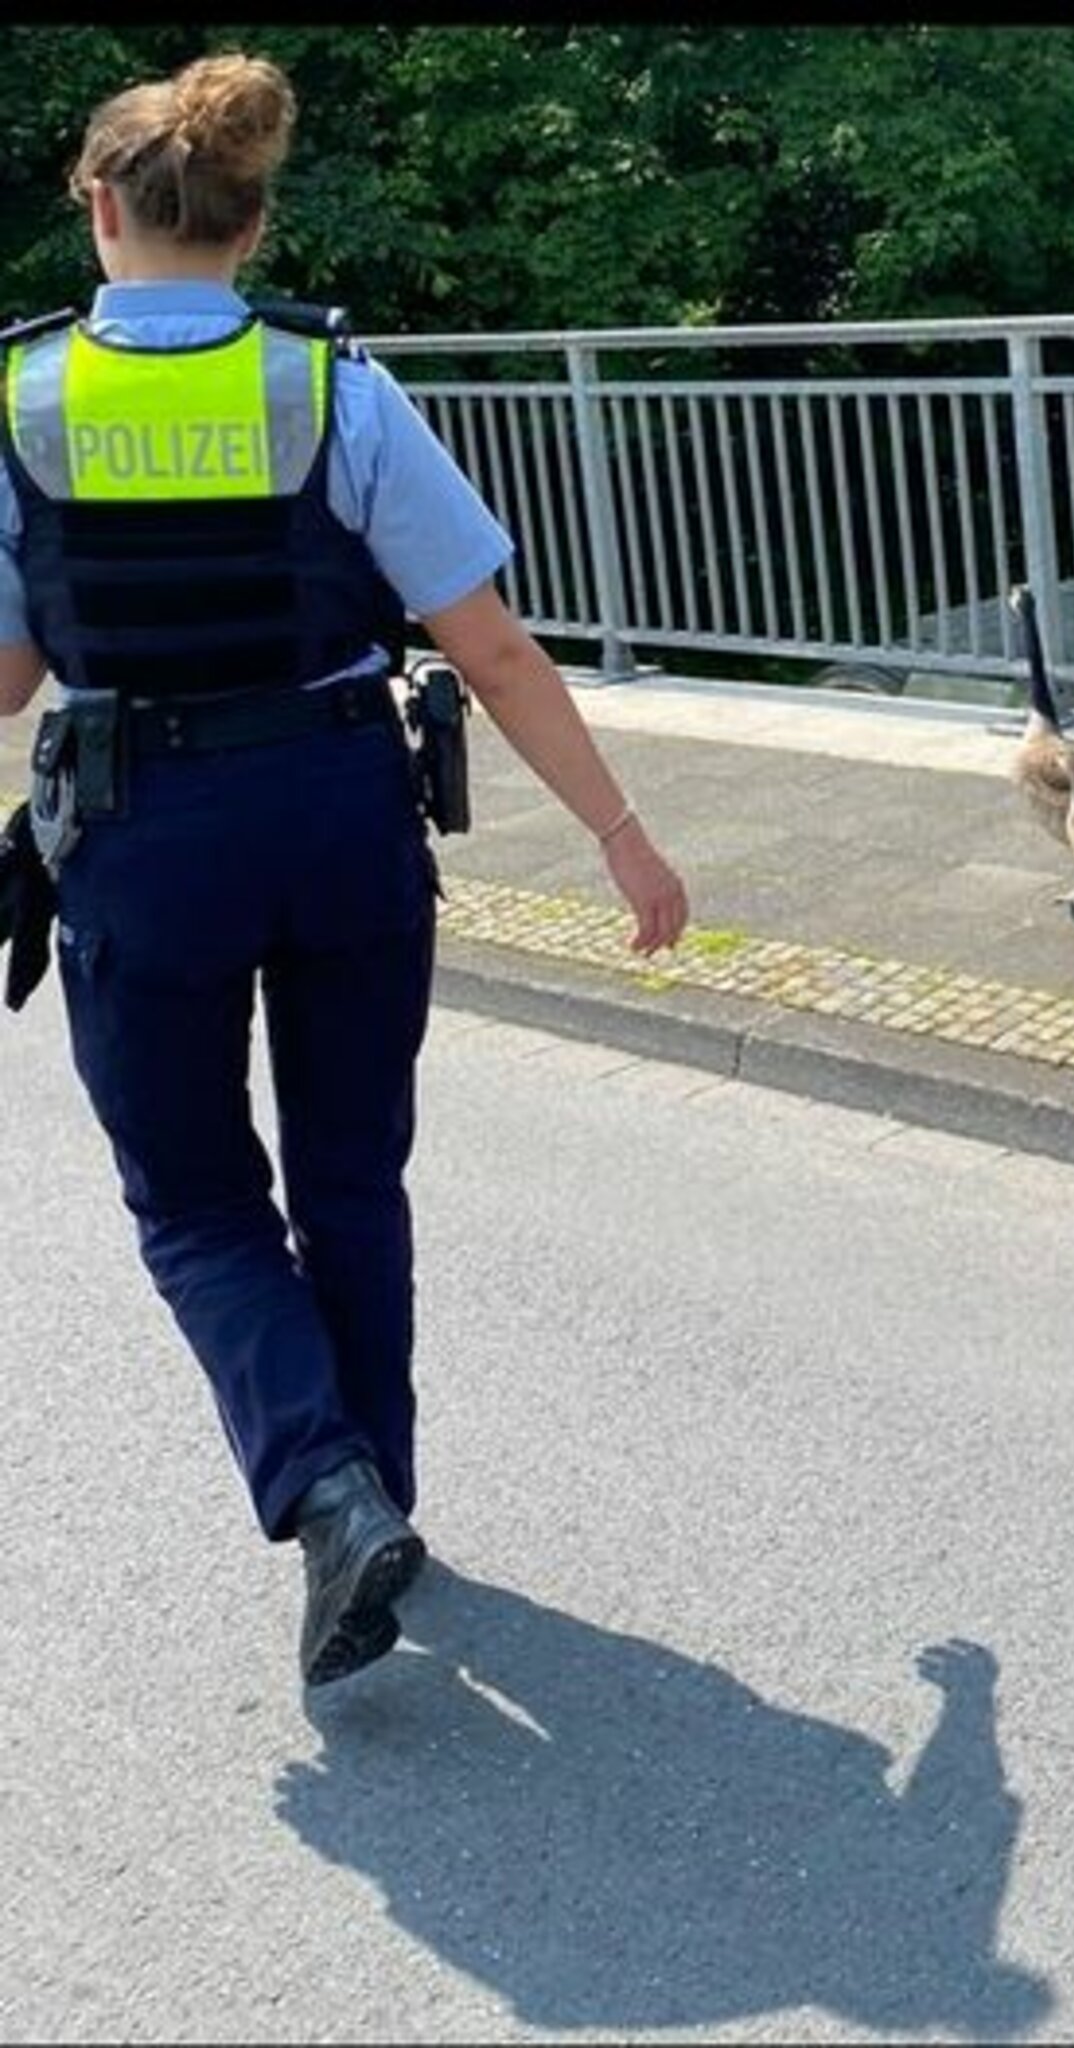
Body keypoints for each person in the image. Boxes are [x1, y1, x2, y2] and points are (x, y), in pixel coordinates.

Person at [0, 50, 690, 1689]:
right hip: (337, 810)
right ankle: (379, 1504)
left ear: (103, 206)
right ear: (250, 221)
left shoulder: (21, 403)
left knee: (193, 1202)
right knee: (350, 1183)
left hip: (141, 835)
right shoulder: (332, 387)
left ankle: (324, 1488)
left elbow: (5, 679)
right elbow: (497, 651)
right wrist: (619, 832)